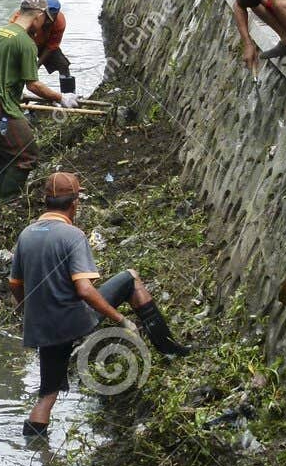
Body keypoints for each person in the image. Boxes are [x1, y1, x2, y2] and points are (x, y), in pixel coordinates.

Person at [11, 172, 189, 438]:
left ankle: (36, 450)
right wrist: (122, 320)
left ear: (46, 201)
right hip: (74, 320)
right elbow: (84, 289)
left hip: (43, 327)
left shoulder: (26, 235)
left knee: (47, 394)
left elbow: (15, 284)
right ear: (75, 204)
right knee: (130, 278)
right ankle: (169, 349)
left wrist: (33, 312)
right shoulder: (72, 236)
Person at [0, 0, 82, 203]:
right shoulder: (25, 42)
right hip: (3, 106)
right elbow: (33, 83)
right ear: (38, 16)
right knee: (28, 155)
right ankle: (8, 201)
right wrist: (60, 97)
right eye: (45, 20)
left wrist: (14, 88)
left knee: (1, 161)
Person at [32, 0, 75, 94]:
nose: (48, 22)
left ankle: (68, 95)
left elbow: (52, 46)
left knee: (63, 65)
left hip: (45, 44)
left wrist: (37, 65)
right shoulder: (29, 17)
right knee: (19, 68)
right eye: (46, 18)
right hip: (26, 42)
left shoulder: (60, 22)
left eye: (52, 19)